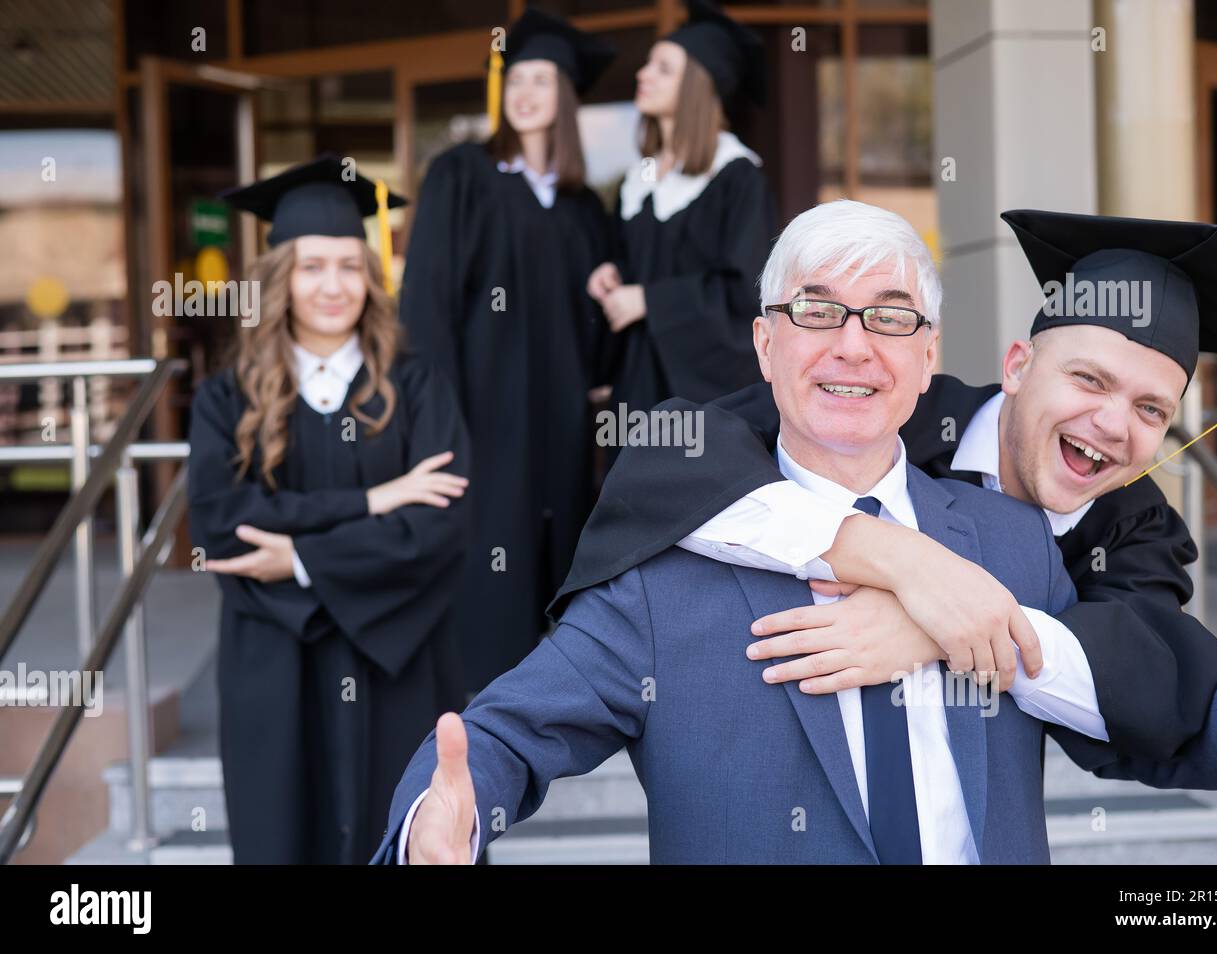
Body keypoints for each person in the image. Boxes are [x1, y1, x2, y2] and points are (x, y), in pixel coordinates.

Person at [375, 203, 1217, 866]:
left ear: (928, 353)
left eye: (892, 319)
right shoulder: (665, 572)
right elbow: (505, 732)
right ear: (766, 346)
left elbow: (1136, 709)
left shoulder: (1030, 548)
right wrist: (442, 816)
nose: (855, 346)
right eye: (816, 312)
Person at [555, 207, 1217, 772]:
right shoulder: (887, 407)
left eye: (1151, 410)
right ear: (1016, 368)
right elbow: (678, 460)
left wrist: (946, 631)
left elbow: (1137, 681)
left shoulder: (1134, 525)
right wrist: (900, 562)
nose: (1111, 425)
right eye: (1088, 379)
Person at [188, 155, 470, 864]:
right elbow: (223, 523)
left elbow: (437, 526)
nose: (333, 286)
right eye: (312, 267)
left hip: (398, 657)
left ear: (371, 278)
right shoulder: (227, 399)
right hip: (272, 660)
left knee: (403, 834)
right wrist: (373, 501)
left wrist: (301, 559)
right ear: (280, 277)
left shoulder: (417, 387)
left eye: (350, 266)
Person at [400, 9, 615, 692]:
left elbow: (602, 323)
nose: (523, 92)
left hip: (561, 427)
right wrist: (438, 418)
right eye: (515, 78)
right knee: (487, 569)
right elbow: (425, 303)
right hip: (480, 420)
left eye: (541, 79)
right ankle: (481, 729)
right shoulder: (461, 175)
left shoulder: (585, 208)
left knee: (554, 560)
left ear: (566, 97)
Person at [588, 0, 776, 415]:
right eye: (648, 65)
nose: (642, 74)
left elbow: (745, 294)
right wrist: (613, 270)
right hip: (636, 382)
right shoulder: (638, 181)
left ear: (697, 85)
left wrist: (650, 302)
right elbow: (638, 261)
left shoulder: (736, 177)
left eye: (662, 68)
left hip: (702, 396)